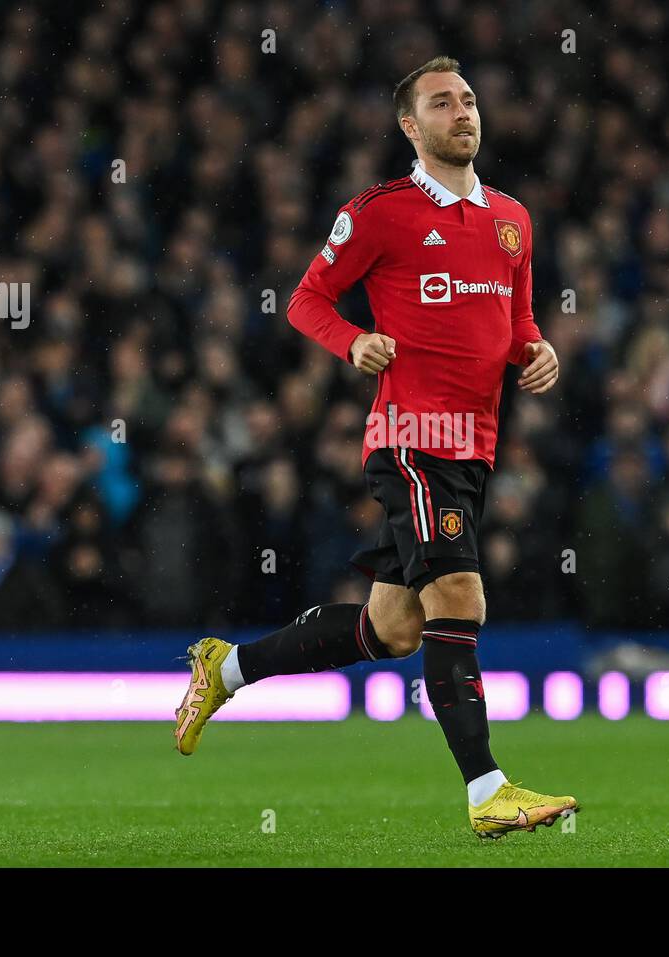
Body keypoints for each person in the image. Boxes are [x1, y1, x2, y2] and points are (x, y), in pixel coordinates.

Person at [173, 56, 577, 839]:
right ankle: (487, 790)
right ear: (410, 126)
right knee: (461, 600)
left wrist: (538, 351)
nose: (462, 112)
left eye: (467, 99)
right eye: (441, 103)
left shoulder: (513, 219)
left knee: (392, 628)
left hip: (475, 446)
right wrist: (354, 341)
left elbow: (517, 323)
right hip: (412, 439)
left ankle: (225, 667)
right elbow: (305, 300)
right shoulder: (380, 213)